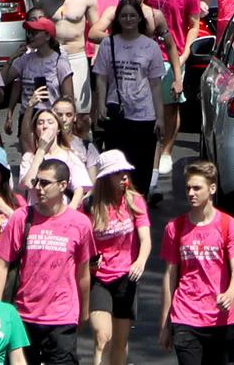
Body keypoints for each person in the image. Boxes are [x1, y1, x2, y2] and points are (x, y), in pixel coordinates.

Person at [0, 158, 94, 365]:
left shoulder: (80, 223)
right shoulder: (21, 217)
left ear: (63, 186)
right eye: (37, 181)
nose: (38, 188)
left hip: (62, 317)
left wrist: (84, 312)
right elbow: (2, 264)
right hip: (23, 316)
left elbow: (83, 273)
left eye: (45, 183)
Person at [158, 161, 234, 365]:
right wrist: (164, 323)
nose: (191, 193)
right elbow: (170, 275)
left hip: (220, 319)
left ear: (212, 188)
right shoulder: (176, 227)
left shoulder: (228, 226)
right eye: (188, 187)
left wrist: (230, 294)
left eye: (197, 188)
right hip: (185, 316)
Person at [92, 0, 163, 198]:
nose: (128, 19)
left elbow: (156, 84)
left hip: (144, 113)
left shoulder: (150, 46)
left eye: (132, 15)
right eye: (124, 16)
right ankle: (117, 201)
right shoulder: (109, 43)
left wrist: (160, 118)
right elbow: (102, 77)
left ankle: (139, 201)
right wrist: (101, 105)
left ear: (140, 18)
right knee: (117, 161)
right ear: (118, 19)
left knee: (141, 163)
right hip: (117, 111)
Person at [84, 151, 149, 365]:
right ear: (105, 177)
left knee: (120, 342)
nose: (124, 178)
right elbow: (78, 240)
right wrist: (89, 259)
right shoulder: (89, 205)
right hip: (99, 279)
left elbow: (145, 239)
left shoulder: (135, 201)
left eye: (126, 173)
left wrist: (139, 261)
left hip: (125, 278)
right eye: (118, 173)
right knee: (103, 337)